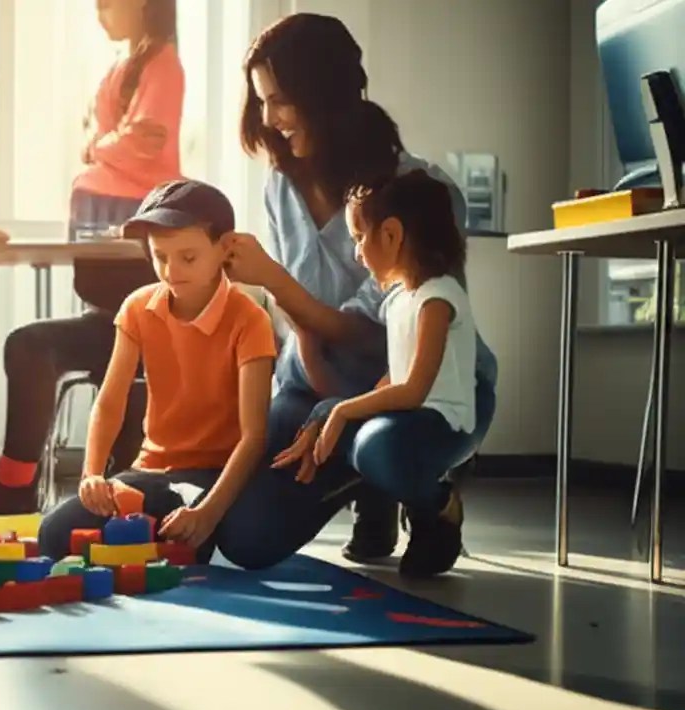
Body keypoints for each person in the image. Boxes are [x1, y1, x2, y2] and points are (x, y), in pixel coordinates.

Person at [203, 14, 497, 576]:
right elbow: (305, 325)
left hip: (419, 392)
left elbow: (376, 327)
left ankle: (425, 497)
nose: (268, 119)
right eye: (261, 101)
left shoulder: (423, 196)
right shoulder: (280, 186)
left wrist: (270, 278)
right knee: (246, 537)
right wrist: (320, 387)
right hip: (318, 382)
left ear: (327, 94)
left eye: (281, 100)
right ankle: (367, 480)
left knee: (382, 445)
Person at [0, 0, 184, 516]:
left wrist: (96, 148)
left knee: (127, 375)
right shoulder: (122, 70)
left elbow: (149, 141)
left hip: (146, 317)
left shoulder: (162, 64)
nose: (99, 12)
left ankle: (117, 495)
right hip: (103, 309)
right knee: (27, 346)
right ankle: (14, 489)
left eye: (106, 3)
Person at [37, 180, 277, 560]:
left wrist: (207, 513)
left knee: (212, 540)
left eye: (188, 257)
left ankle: (172, 526)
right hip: (152, 472)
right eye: (159, 256)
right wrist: (93, 476)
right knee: (54, 535)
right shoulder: (137, 308)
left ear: (224, 248)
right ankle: (154, 525)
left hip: (214, 474)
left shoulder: (250, 320)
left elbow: (253, 436)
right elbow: (110, 401)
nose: (171, 270)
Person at [272, 170, 479, 575]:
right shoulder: (397, 298)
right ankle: (379, 501)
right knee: (332, 414)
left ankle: (439, 503)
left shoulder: (437, 299)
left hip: (442, 421)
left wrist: (346, 411)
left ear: (391, 235)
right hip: (408, 415)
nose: (356, 253)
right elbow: (393, 374)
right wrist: (333, 410)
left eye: (358, 238)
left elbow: (415, 388)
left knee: (371, 444)